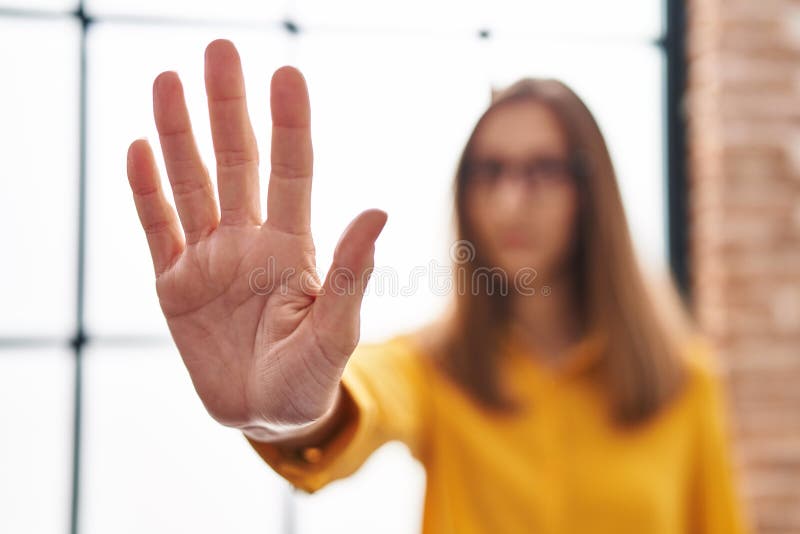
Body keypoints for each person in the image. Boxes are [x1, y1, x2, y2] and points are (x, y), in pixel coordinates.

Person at [125, 38, 752, 533]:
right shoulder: (435, 368)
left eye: (543, 170)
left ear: (593, 194)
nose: (511, 200)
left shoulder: (684, 383)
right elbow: (360, 397)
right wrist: (282, 417)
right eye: (490, 172)